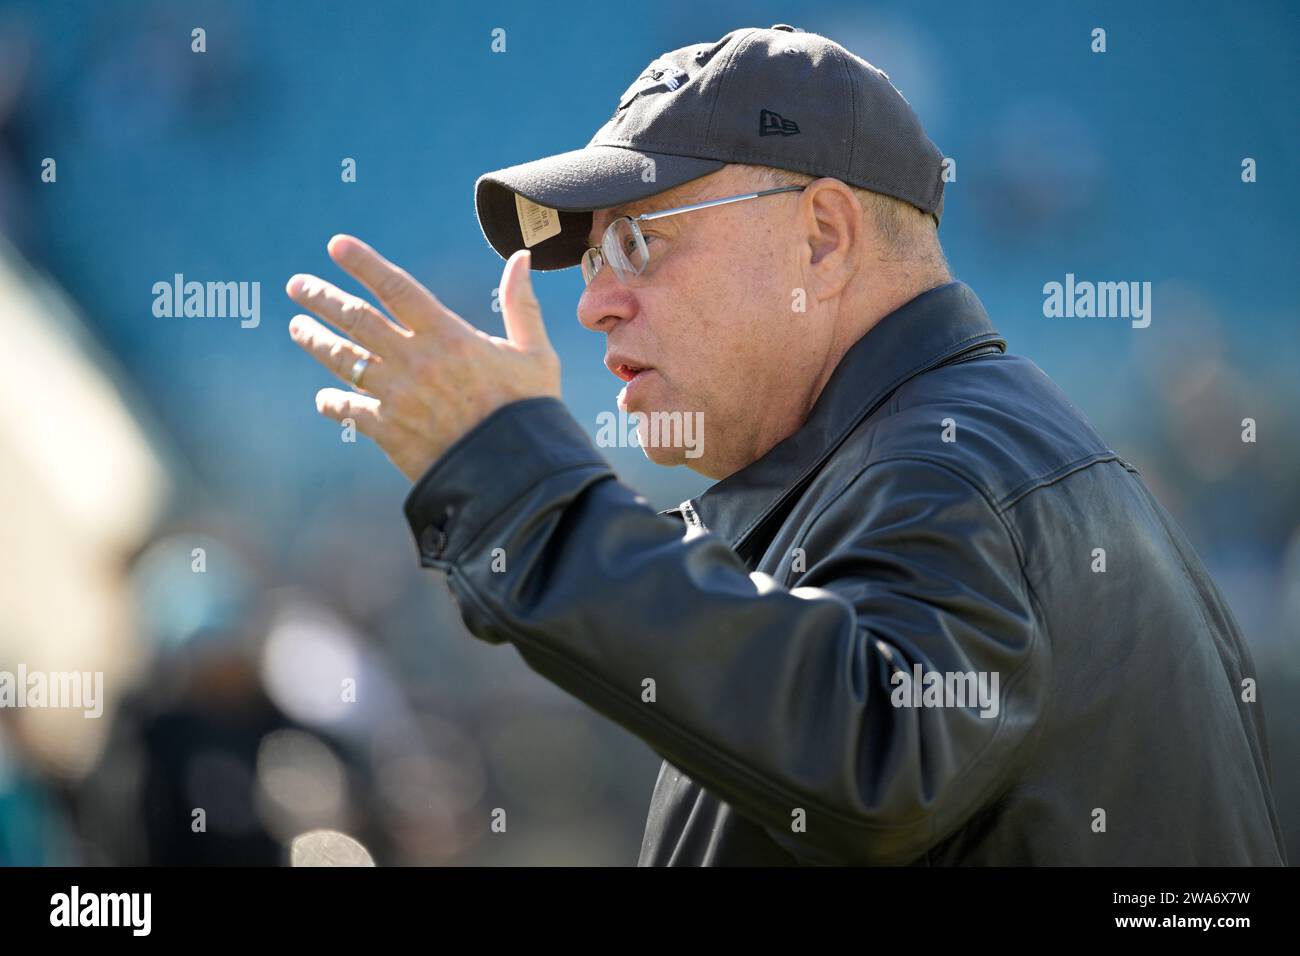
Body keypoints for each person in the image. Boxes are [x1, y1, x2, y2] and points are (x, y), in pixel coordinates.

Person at [285, 25, 1286, 865]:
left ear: (821, 236)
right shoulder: (955, 446)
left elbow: (879, 751)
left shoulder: (945, 462)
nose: (592, 303)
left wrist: (521, 491)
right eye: (588, 259)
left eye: (636, 240)